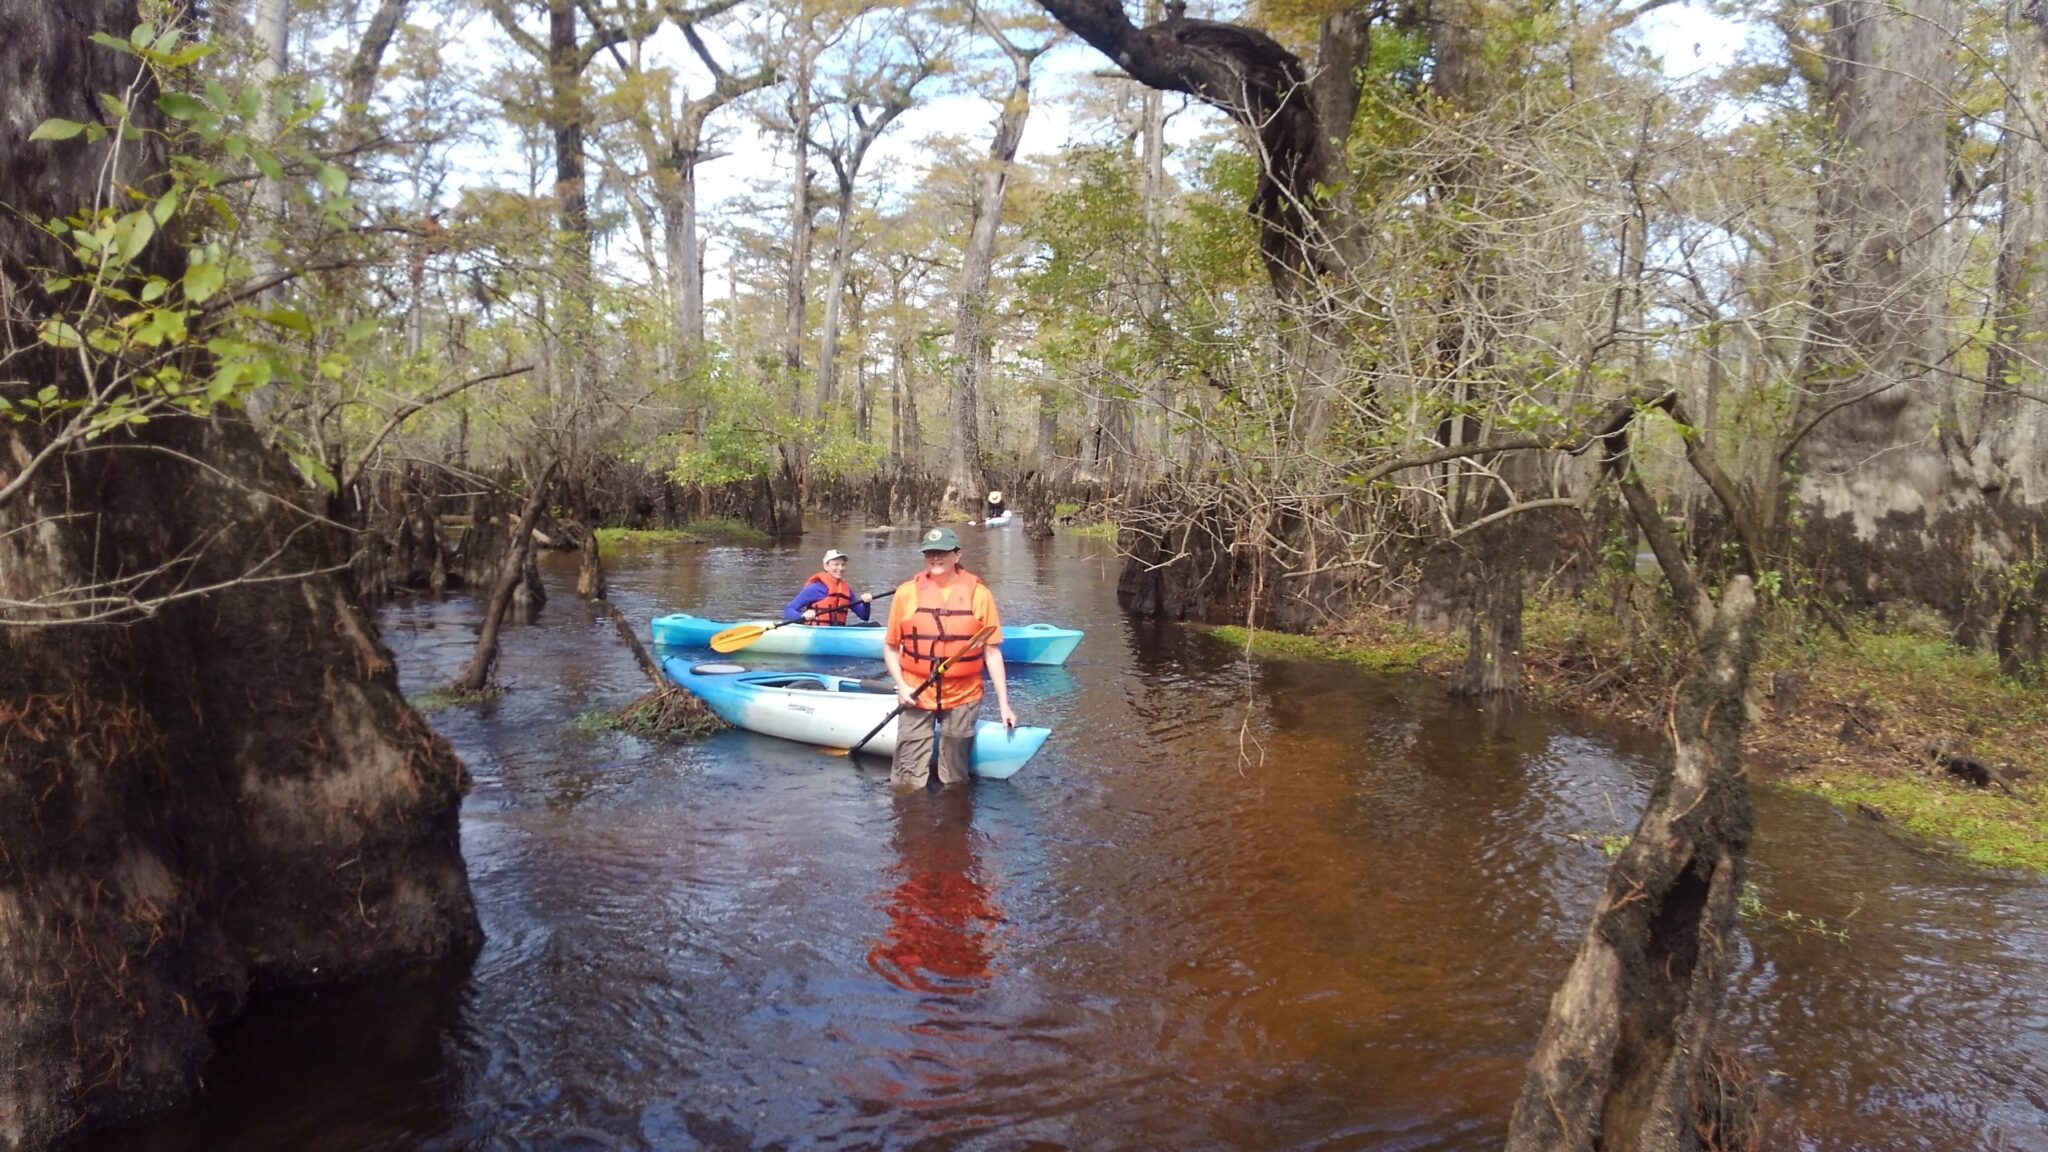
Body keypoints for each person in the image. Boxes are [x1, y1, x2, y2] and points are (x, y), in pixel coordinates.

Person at [882, 527, 1019, 788]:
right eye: (930, 553)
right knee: (906, 778)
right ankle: (909, 808)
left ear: (957, 555)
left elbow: (992, 652)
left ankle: (954, 810)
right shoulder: (906, 593)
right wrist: (902, 686)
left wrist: (1005, 705)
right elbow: (890, 648)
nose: (936, 558)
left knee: (955, 777)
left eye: (942, 552)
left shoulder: (979, 594)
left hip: (963, 694)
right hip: (917, 692)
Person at [782, 549, 874, 625]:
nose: (840, 568)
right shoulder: (815, 588)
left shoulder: (846, 590)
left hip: (838, 632)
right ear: (826, 566)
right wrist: (802, 616)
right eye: (836, 564)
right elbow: (788, 610)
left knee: (874, 625)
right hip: (817, 632)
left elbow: (864, 616)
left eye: (843, 564)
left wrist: (866, 603)